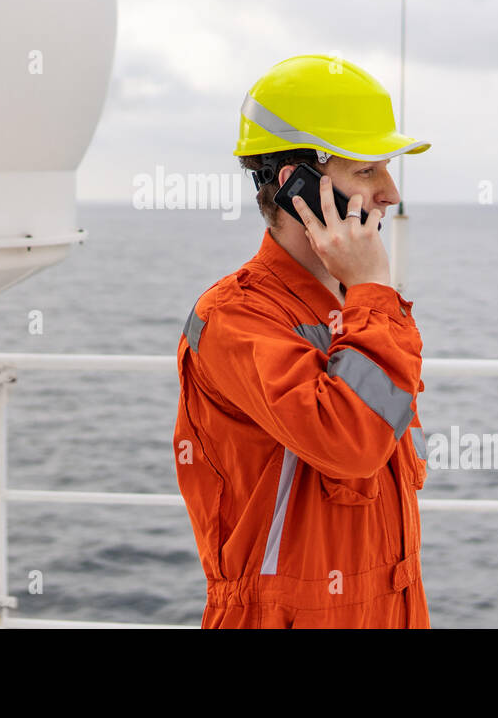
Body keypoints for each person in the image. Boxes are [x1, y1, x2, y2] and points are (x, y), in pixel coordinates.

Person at [173, 53, 432, 628]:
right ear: (298, 186)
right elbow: (352, 443)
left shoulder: (357, 306)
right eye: (366, 171)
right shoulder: (235, 317)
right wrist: (372, 289)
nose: (390, 193)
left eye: (386, 169)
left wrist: (367, 296)